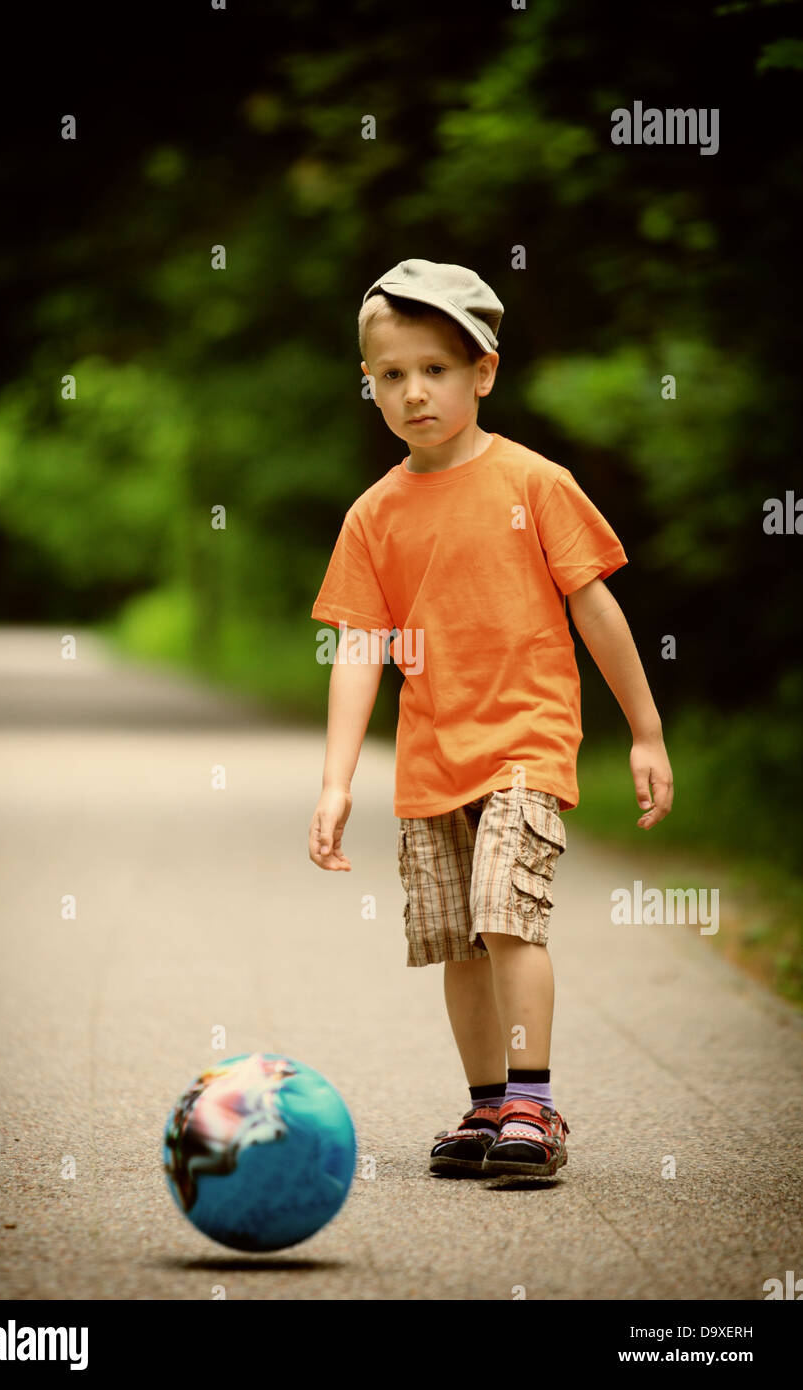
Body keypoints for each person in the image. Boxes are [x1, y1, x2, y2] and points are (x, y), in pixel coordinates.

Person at [307, 258, 673, 1179]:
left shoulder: (534, 483)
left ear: (484, 372)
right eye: (391, 375)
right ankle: (483, 1110)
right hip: (432, 762)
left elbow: (595, 608)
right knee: (457, 941)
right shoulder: (374, 515)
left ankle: (533, 1107)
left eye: (434, 369)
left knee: (509, 918)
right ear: (369, 387)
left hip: (526, 744)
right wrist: (336, 780)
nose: (412, 392)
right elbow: (360, 650)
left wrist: (647, 730)